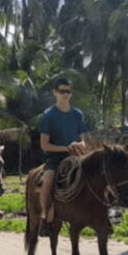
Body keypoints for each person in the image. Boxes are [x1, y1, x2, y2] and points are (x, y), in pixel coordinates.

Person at [38, 77, 88, 237]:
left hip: (76, 156)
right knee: (48, 181)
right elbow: (44, 145)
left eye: (68, 91)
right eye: (62, 91)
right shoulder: (48, 115)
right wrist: (66, 147)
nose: (65, 94)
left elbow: (83, 139)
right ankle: (45, 218)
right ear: (55, 93)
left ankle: (102, 214)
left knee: (99, 175)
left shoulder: (77, 114)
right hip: (55, 158)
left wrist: (80, 145)